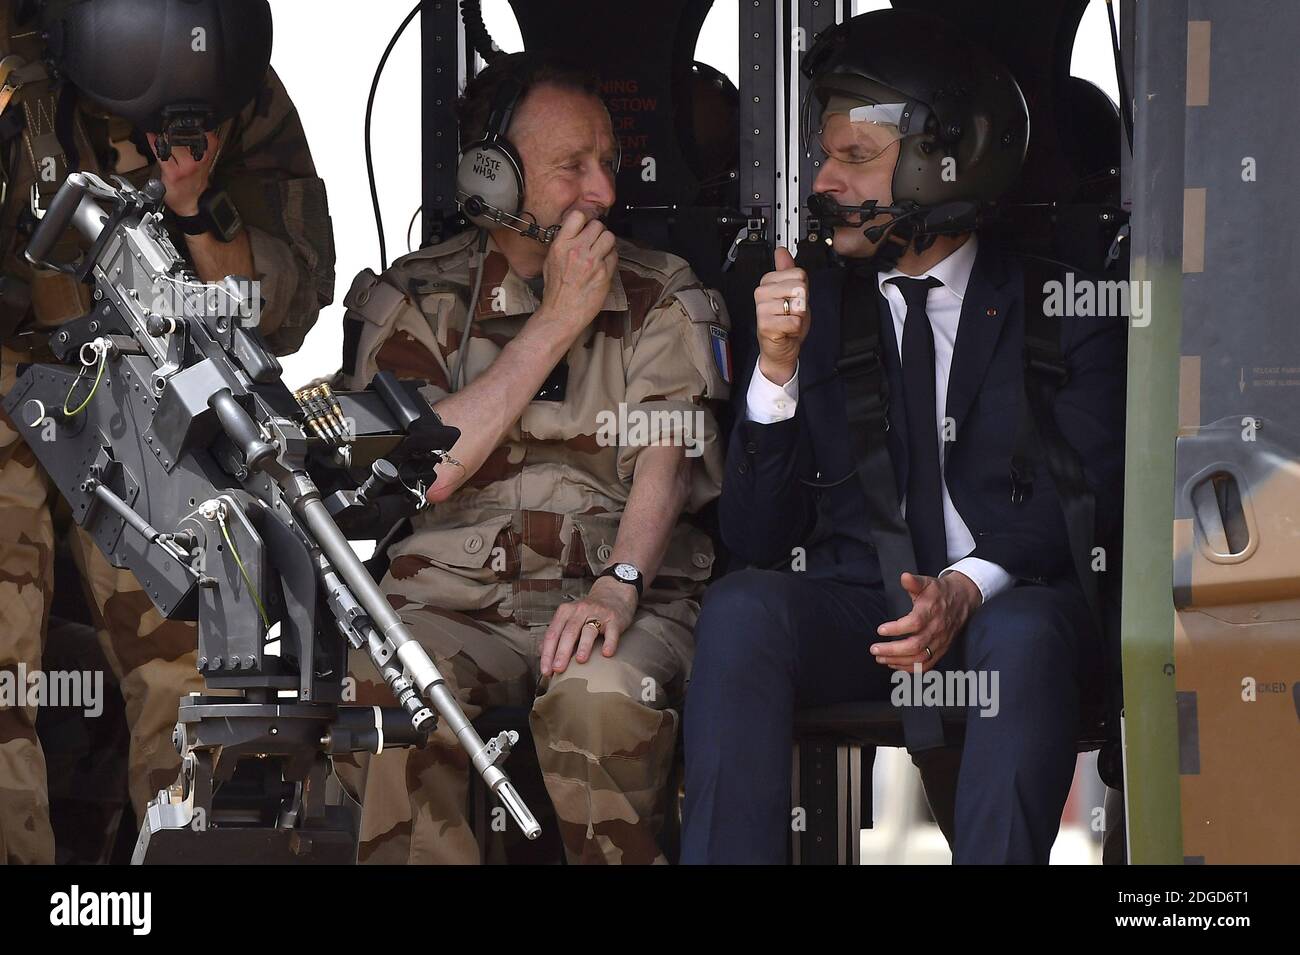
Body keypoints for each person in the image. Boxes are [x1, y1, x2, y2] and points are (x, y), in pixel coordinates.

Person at [680, 9, 1127, 864]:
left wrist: (966, 586)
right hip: (865, 608)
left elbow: (1093, 495)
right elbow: (755, 538)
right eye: (823, 155)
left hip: (1008, 613)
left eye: (855, 158)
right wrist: (774, 372)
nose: (823, 182)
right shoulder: (806, 307)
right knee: (742, 610)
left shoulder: (1066, 308)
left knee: (1026, 631)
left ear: (937, 163)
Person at [336, 53, 729, 864]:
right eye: (573, 168)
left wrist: (620, 587)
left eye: (609, 164)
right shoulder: (419, 296)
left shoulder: (663, 289)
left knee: (601, 701)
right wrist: (555, 321)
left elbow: (668, 456)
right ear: (494, 178)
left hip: (619, 595)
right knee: (391, 688)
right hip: (451, 602)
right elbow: (427, 466)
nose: (605, 193)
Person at [0, 0, 335, 864]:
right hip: (11, 369)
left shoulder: (226, 81)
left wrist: (194, 209)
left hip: (147, 376)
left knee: (196, 668)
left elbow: (288, 301)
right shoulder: (19, 64)